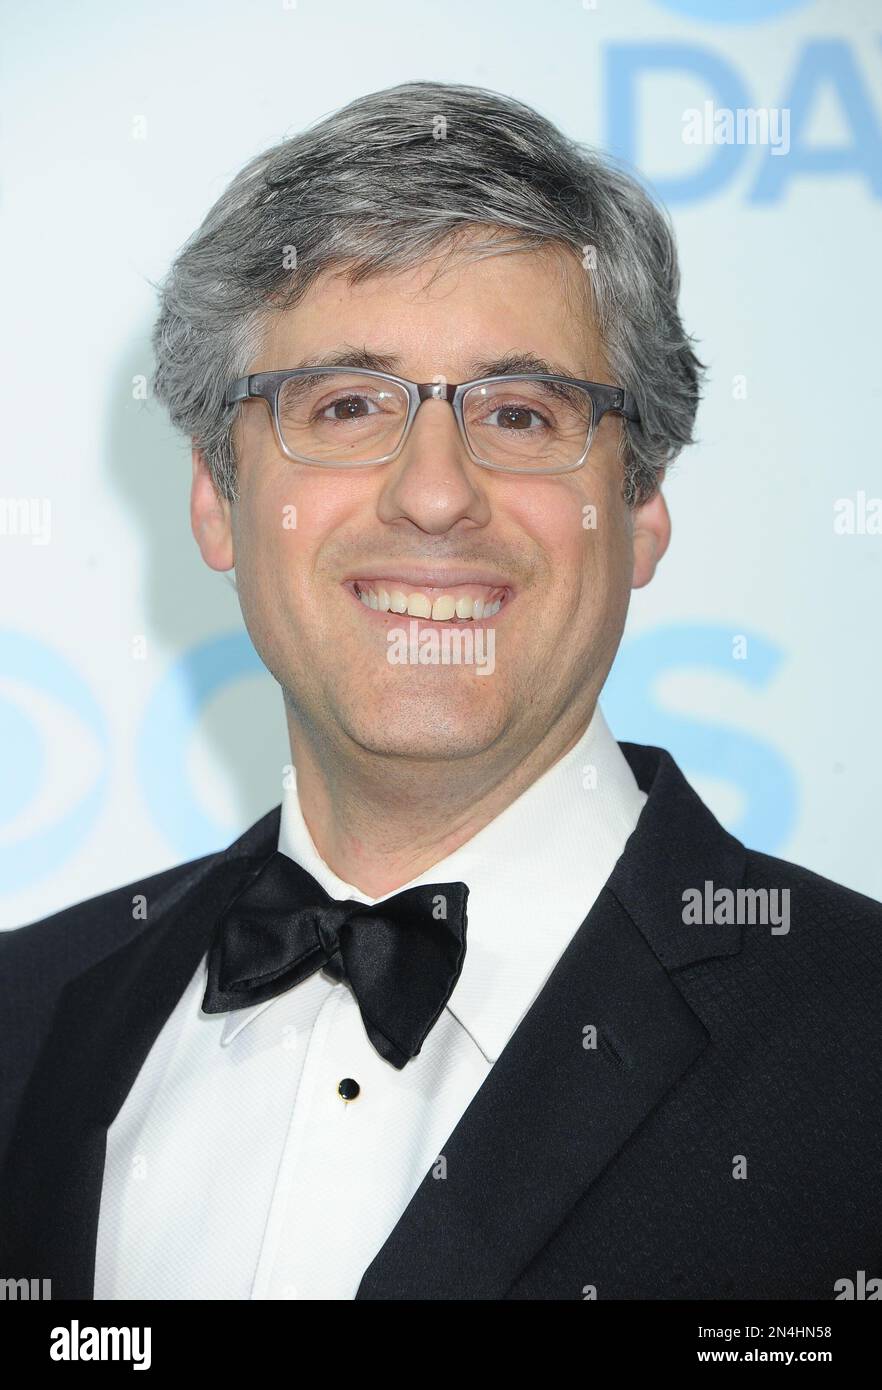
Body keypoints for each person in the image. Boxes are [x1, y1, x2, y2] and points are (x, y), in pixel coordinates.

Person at [2, 80, 880, 1302]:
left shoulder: (860, 1044)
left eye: (521, 414)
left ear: (640, 514)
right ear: (216, 496)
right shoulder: (21, 1016)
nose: (433, 493)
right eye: (347, 404)